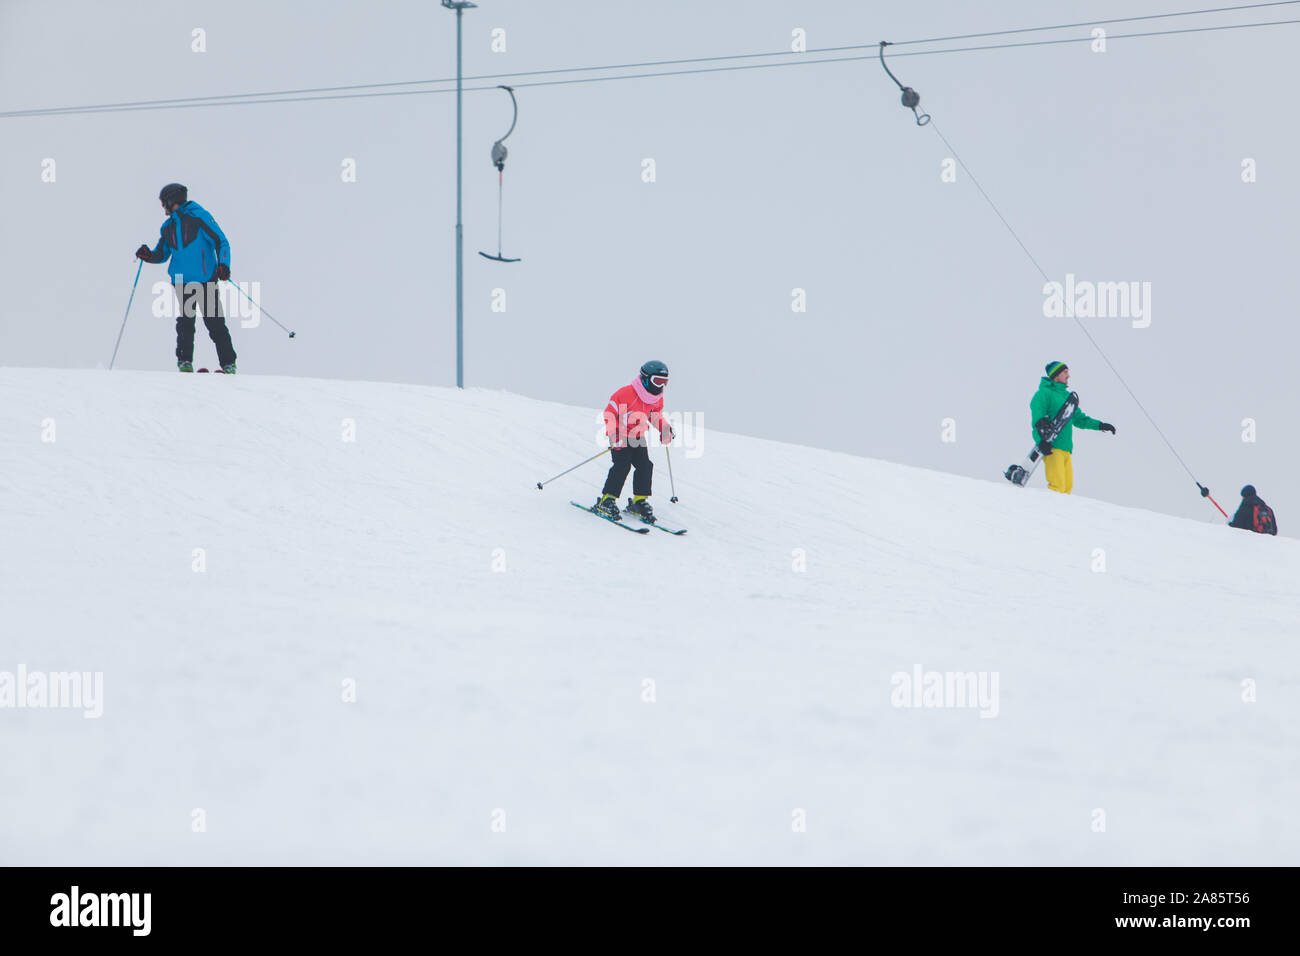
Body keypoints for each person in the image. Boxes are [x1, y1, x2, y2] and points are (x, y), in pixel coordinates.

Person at [135, 183, 237, 373]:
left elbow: (221, 242)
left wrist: (224, 265)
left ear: (171, 200)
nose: (162, 207)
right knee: (185, 323)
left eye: (163, 203)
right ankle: (184, 362)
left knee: (214, 322)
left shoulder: (199, 217)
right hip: (182, 280)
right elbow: (162, 254)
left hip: (205, 278)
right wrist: (148, 255)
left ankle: (228, 364)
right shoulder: (168, 227)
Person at [594, 361, 675, 522]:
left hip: (638, 436)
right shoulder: (625, 393)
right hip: (620, 436)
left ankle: (639, 501)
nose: (660, 386)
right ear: (645, 378)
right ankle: (607, 500)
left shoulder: (656, 398)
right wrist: (614, 434)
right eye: (657, 381)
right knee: (622, 465)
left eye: (664, 382)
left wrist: (665, 429)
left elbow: (655, 415)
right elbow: (609, 413)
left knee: (645, 465)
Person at [1030, 361, 1115, 494]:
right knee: (1057, 486)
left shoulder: (1067, 397)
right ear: (1056, 375)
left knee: (1067, 488)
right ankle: (1047, 512)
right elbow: (1037, 420)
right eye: (1065, 372)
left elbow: (1080, 419)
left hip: (1066, 448)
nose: (1068, 376)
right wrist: (1042, 442)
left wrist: (1100, 425)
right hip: (1052, 446)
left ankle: (1062, 514)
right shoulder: (1043, 394)